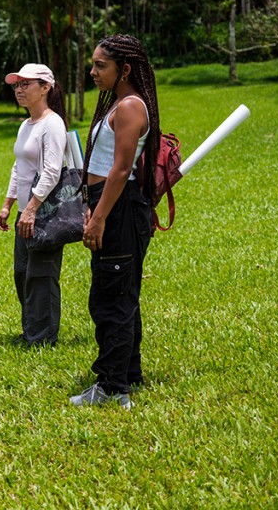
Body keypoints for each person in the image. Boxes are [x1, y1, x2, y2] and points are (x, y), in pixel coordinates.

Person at [71, 34, 160, 411]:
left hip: (119, 207)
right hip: (107, 203)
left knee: (112, 299)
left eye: (100, 65)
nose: (92, 72)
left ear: (124, 69)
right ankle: (129, 373)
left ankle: (111, 386)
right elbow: (102, 166)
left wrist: (100, 217)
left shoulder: (129, 107)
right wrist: (91, 207)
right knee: (120, 293)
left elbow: (121, 169)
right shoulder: (119, 104)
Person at [0, 64, 69, 349]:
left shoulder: (52, 123)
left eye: (26, 84)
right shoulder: (26, 125)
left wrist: (32, 207)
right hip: (25, 212)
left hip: (44, 212)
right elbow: (19, 168)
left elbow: (52, 171)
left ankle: (44, 337)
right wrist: (8, 205)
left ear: (46, 87)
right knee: (22, 273)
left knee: (42, 274)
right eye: (17, 85)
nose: (19, 89)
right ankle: (31, 330)